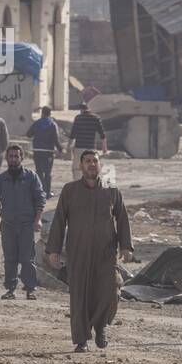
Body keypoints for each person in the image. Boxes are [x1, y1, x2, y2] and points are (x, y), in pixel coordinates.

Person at [45, 149, 132, 351]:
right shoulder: (70, 191)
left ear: (99, 165)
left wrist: (126, 246)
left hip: (106, 252)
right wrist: (54, 250)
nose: (92, 164)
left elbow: (122, 218)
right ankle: (81, 340)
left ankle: (101, 326)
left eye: (95, 161)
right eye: (87, 161)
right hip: (79, 252)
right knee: (80, 296)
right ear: (80, 165)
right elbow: (59, 221)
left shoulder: (112, 191)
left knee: (110, 290)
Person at [0, 144, 46, 301]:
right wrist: (2, 212)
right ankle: (10, 289)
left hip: (27, 224)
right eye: (11, 156)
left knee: (27, 258)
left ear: (22, 158)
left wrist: (37, 219)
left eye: (16, 156)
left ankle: (30, 289)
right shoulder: (1, 179)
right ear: (7, 158)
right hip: (8, 225)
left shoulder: (31, 177)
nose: (13, 159)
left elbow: (40, 199)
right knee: (10, 258)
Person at [26, 106, 63, 198]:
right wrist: (60, 149)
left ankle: (39, 191)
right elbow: (56, 139)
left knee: (39, 172)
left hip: (37, 150)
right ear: (50, 114)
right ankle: (47, 192)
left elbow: (28, 134)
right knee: (47, 173)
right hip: (48, 152)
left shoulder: (37, 123)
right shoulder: (53, 124)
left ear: (42, 113)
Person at [68, 102, 107, 181]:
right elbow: (102, 134)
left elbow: (72, 134)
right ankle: (91, 187)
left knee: (77, 169)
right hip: (91, 148)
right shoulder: (96, 118)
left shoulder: (78, 118)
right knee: (91, 169)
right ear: (88, 109)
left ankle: (78, 187)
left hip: (79, 148)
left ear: (81, 110)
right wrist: (104, 148)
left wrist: (69, 146)